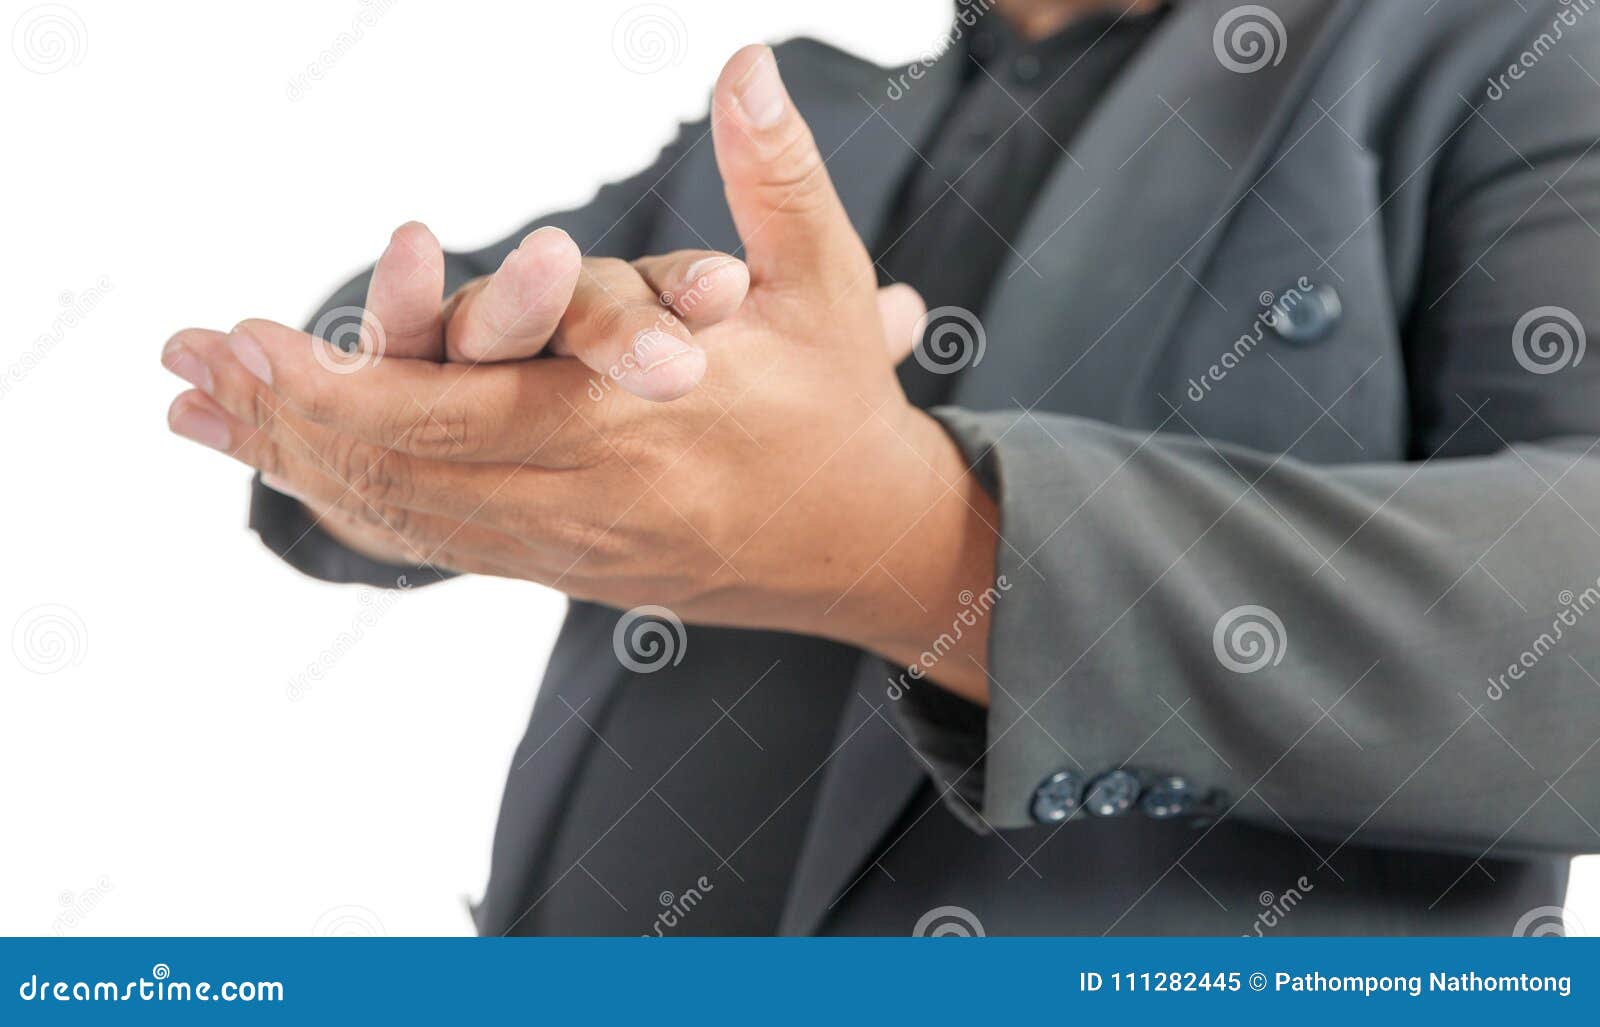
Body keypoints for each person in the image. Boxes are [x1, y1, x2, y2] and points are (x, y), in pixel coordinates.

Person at [162, 0, 1600, 935]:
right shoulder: (804, 114)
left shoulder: (1509, 48)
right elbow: (416, 316)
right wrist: (399, 394)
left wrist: (917, 544)